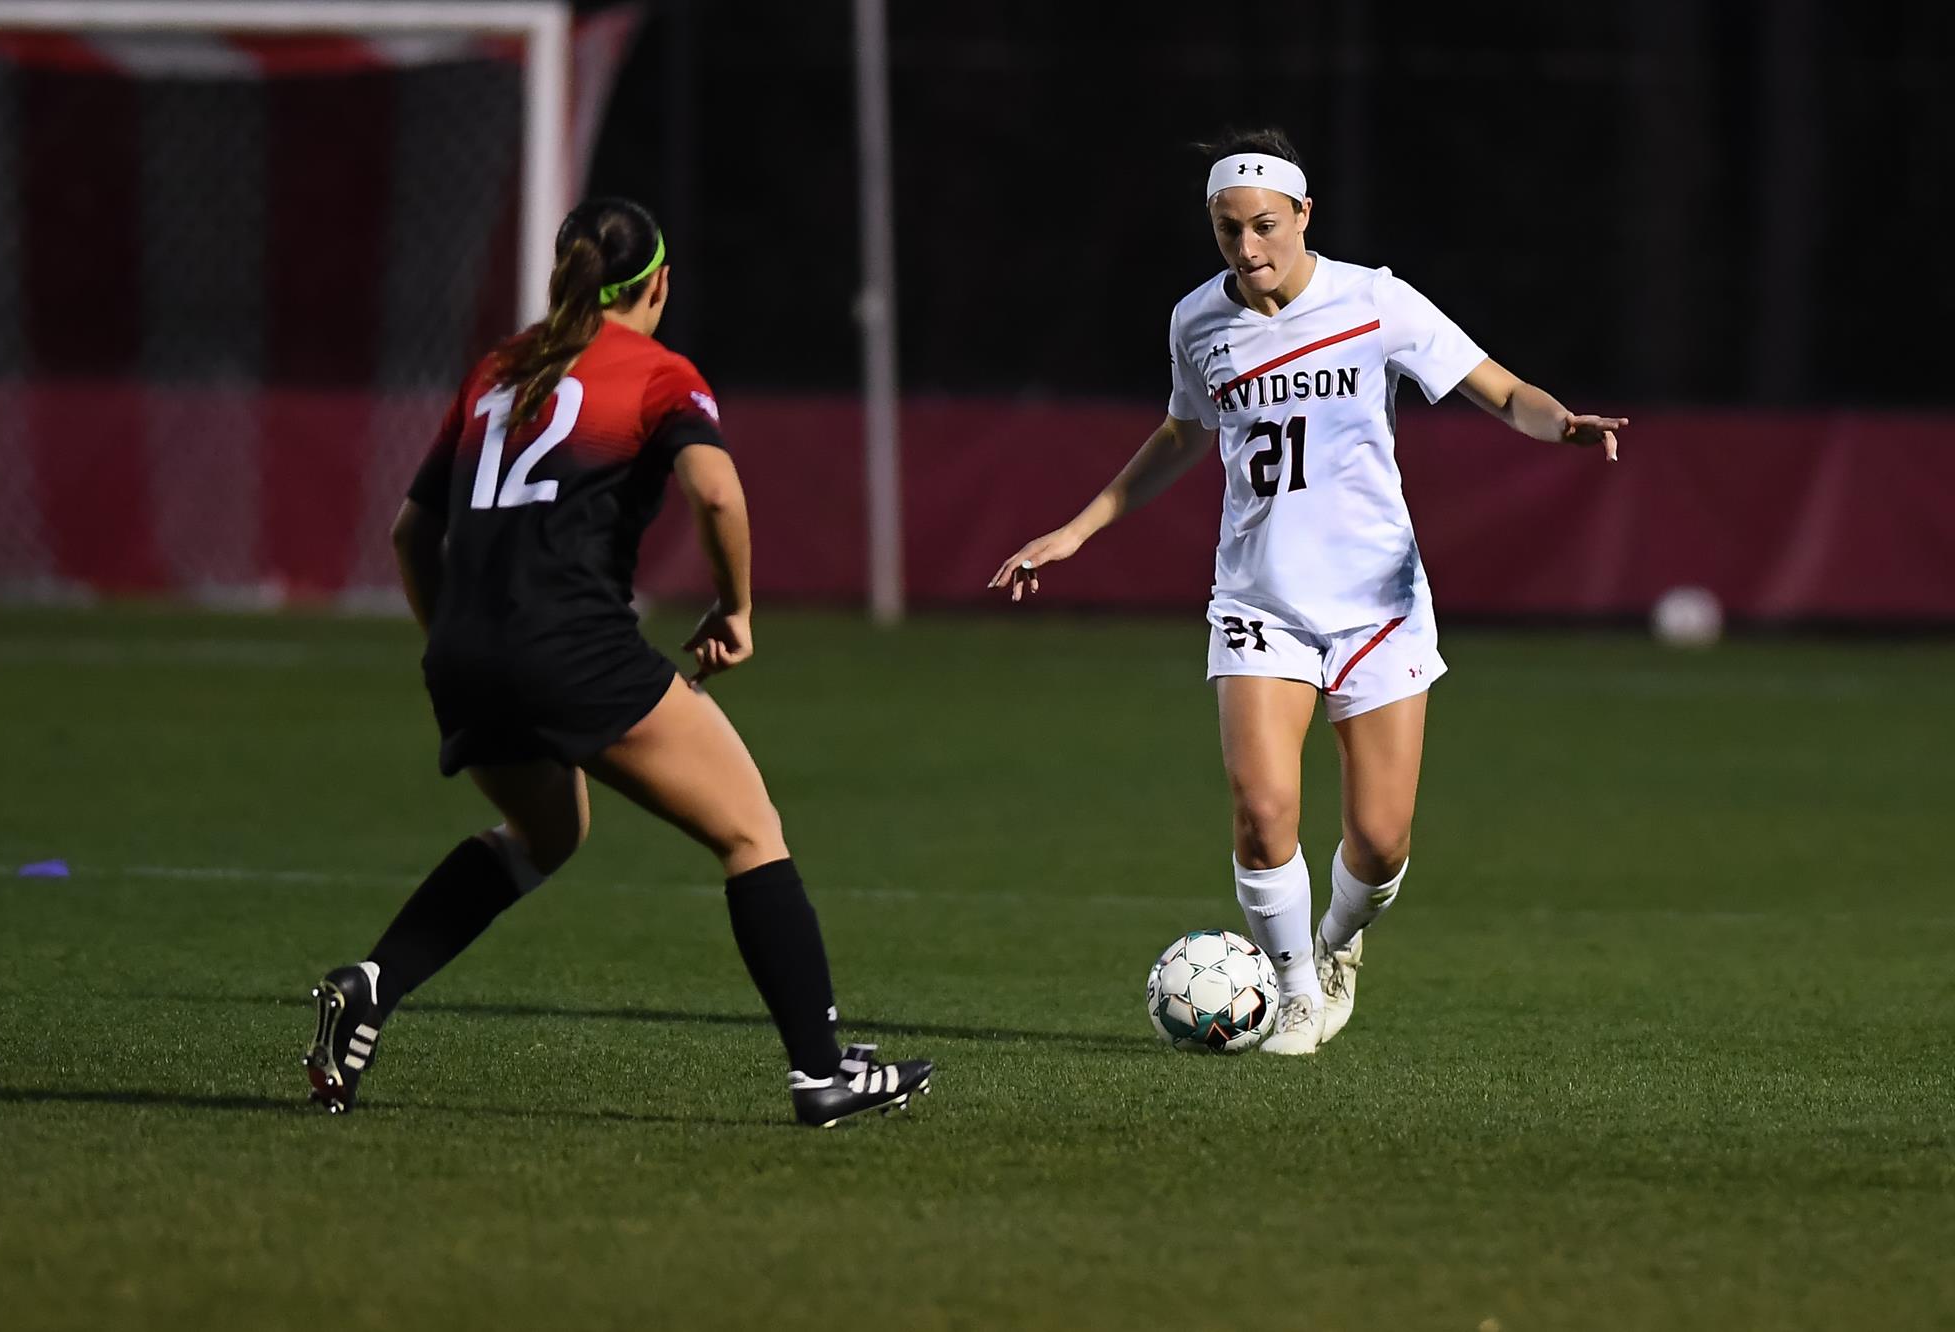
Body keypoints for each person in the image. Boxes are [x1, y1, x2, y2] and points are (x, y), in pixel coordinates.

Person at [990, 130, 1626, 1054]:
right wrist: (1078, 528)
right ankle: (1292, 993)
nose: (1246, 251)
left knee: (1378, 843)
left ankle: (1333, 948)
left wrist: (1558, 423)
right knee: (1262, 811)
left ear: (1302, 217)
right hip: (1259, 601)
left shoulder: (1374, 300)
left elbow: (1498, 388)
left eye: (1263, 227)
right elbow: (1180, 435)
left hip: (1379, 601)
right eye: (1226, 231)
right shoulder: (1196, 323)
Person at [303, 197, 931, 1126]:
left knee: (547, 834)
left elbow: (409, 533)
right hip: (571, 649)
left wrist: (460, 644)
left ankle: (374, 981)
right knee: (750, 831)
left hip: (465, 655)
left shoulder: (498, 369)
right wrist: (739, 607)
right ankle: (820, 1073)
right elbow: (716, 494)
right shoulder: (656, 372)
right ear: (660, 284)